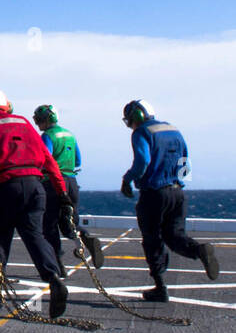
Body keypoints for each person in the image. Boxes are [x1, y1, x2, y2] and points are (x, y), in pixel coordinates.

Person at [0, 89, 71, 318]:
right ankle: (54, 279)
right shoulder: (25, 123)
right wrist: (61, 191)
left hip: (7, 188)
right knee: (35, 236)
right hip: (36, 187)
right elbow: (48, 160)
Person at [120, 100, 220, 302]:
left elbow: (143, 161)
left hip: (154, 194)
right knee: (175, 237)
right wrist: (177, 182)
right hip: (178, 193)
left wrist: (128, 179)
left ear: (136, 116)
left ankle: (160, 286)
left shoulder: (141, 133)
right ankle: (199, 251)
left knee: (152, 239)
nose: (129, 124)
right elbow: (186, 164)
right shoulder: (174, 130)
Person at [33, 105, 104, 273]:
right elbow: (78, 161)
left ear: (45, 119)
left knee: (49, 225)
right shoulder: (70, 135)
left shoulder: (47, 136)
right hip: (72, 182)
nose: (37, 124)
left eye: (39, 120)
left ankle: (58, 264)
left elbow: (46, 159)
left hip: (53, 183)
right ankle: (85, 237)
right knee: (69, 223)